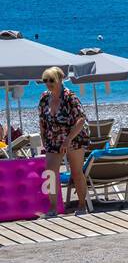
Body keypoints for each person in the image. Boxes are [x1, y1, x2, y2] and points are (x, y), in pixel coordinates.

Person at [37, 67, 90, 216]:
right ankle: (53, 208)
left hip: (73, 138)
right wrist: (44, 141)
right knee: (50, 173)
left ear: (60, 79)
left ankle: (81, 205)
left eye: (51, 80)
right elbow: (42, 122)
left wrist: (68, 140)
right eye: (45, 80)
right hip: (53, 139)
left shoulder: (69, 97)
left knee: (76, 172)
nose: (48, 83)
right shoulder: (44, 98)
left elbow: (81, 119)